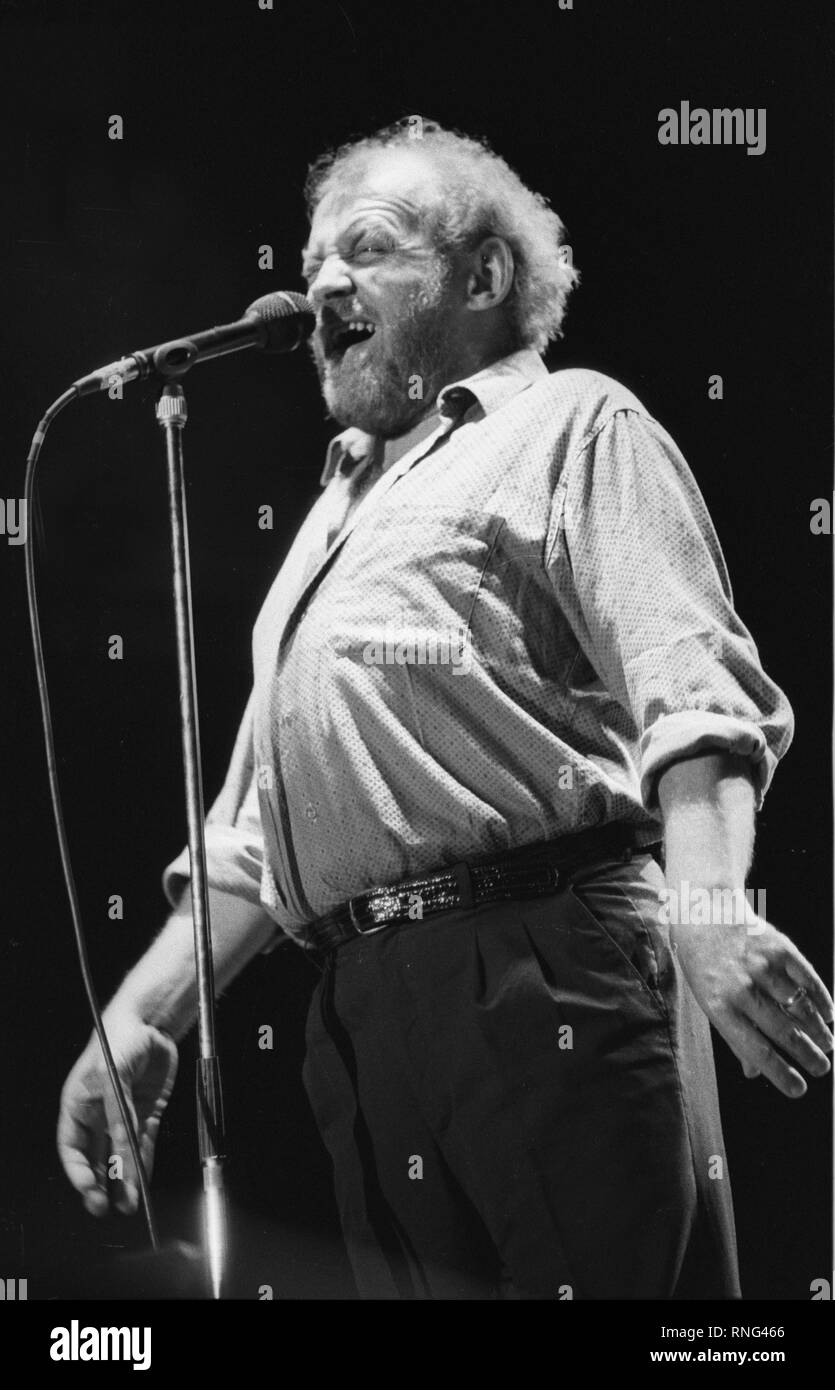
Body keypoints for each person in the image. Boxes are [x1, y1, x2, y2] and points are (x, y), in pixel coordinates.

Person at [57, 119, 833, 1300]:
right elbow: (258, 836)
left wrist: (712, 911)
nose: (319, 282)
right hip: (365, 1017)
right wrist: (139, 1021)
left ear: (482, 276)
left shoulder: (569, 421)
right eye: (313, 256)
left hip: (549, 965)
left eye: (366, 250)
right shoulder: (333, 513)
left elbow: (695, 696)